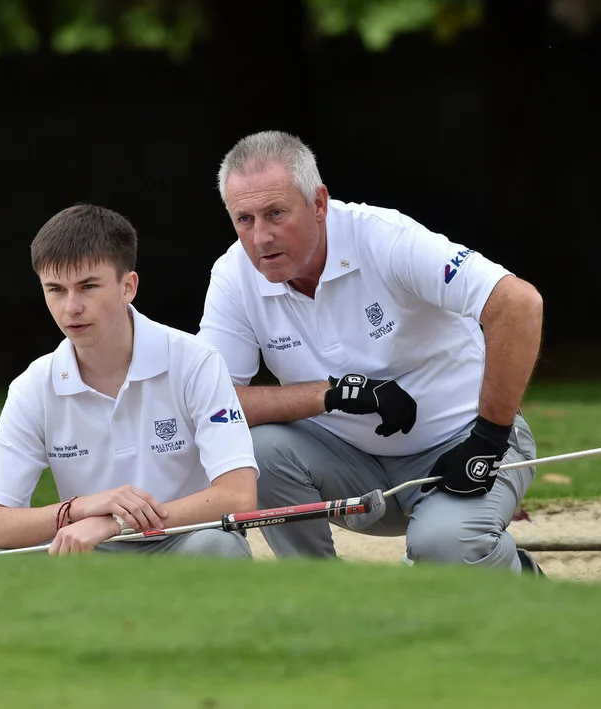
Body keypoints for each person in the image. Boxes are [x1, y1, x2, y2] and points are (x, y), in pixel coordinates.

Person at [196, 130, 545, 574]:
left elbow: (517, 303)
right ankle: (324, 602)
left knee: (444, 546)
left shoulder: (385, 237)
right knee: (255, 448)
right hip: (349, 467)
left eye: (275, 213)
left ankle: (521, 576)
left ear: (318, 203)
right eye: (244, 219)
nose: (261, 237)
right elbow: (211, 400)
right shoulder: (232, 275)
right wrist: (335, 393)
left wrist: (489, 438)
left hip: (464, 446)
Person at [0, 204, 258, 557]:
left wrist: (116, 522)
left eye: (88, 286)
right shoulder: (33, 386)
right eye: (56, 289)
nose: (71, 307)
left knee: (218, 547)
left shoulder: (196, 361)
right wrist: (79, 509)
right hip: (92, 552)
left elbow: (239, 496)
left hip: (183, 540)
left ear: (127, 287)